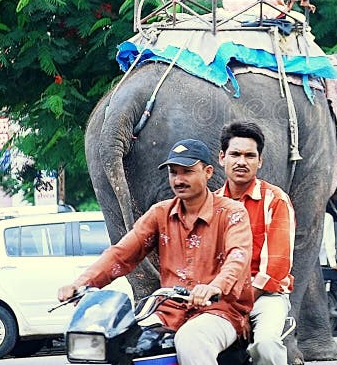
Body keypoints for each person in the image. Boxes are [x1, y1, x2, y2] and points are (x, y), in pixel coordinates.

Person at [57, 139, 253, 365]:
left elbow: (238, 256)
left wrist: (214, 287)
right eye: (173, 173)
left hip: (220, 311)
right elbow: (121, 253)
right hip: (169, 311)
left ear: (208, 172)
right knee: (123, 340)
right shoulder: (160, 213)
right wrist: (81, 284)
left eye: (187, 172)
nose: (179, 180)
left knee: (192, 340)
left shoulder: (232, 213)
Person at [217, 121, 295, 365]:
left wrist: (241, 305)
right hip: (221, 296)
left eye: (250, 155)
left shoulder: (276, 200)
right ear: (222, 158)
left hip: (266, 296)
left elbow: (276, 266)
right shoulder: (211, 204)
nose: (242, 161)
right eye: (235, 154)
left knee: (266, 344)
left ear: (259, 161)